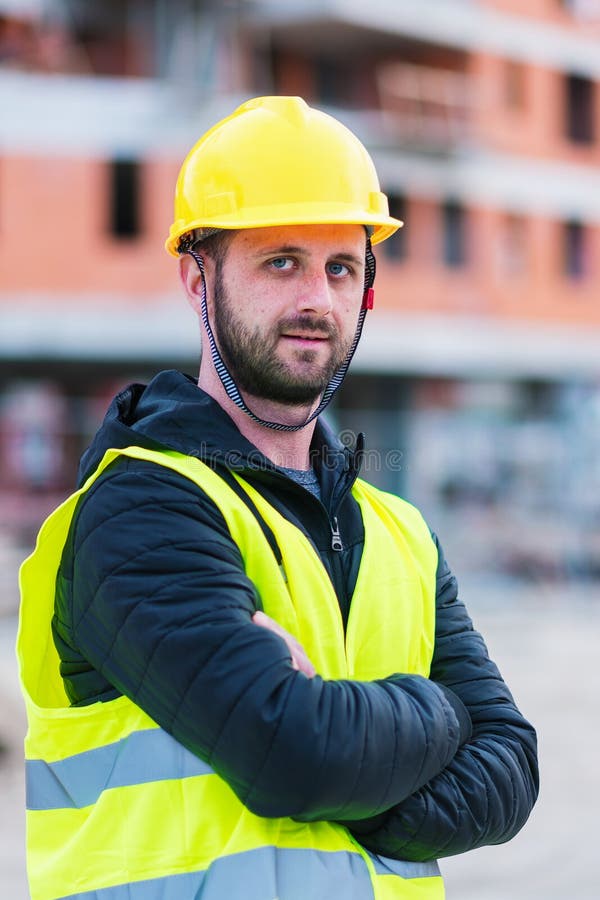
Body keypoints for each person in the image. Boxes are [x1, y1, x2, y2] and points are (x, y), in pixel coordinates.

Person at [18, 96, 538, 900]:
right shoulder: (138, 512)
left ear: (368, 289)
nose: (317, 301)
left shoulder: (399, 532)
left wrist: (343, 739)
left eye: (341, 267)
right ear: (198, 280)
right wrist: (440, 713)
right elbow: (290, 755)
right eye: (281, 262)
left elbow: (512, 768)